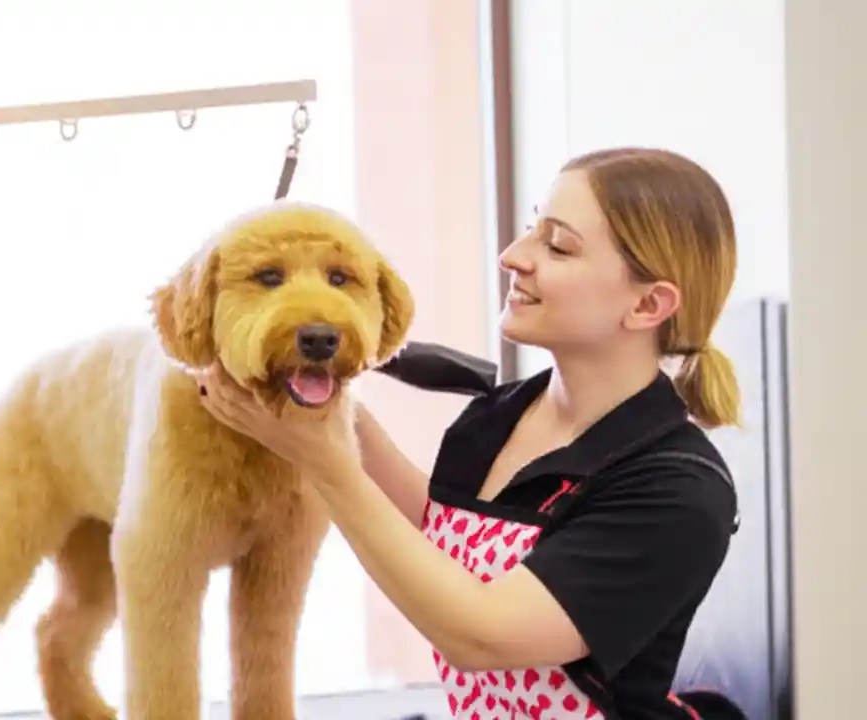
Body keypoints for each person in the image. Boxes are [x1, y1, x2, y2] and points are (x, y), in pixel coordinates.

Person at [196, 147, 744, 720]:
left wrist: (323, 462)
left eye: (558, 246)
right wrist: (321, 403)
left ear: (648, 304)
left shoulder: (675, 492)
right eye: (533, 228)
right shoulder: (499, 415)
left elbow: (482, 636)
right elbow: (442, 532)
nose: (513, 256)